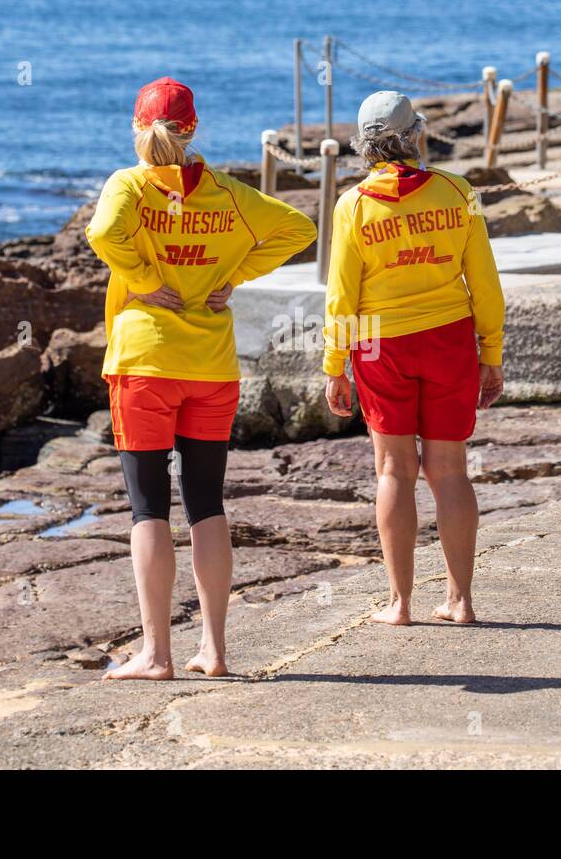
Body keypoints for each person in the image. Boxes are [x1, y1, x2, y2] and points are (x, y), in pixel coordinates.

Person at [86, 77, 315, 679]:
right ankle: (214, 651)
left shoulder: (130, 186)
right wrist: (235, 274)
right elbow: (300, 228)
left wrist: (138, 277)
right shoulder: (229, 194)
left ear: (139, 129)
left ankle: (156, 654)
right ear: (194, 131)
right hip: (212, 368)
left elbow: (102, 233)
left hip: (145, 363)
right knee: (207, 504)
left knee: (148, 509)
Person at [323, 90, 505, 626]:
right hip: (450, 337)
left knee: (393, 471)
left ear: (363, 146)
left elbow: (341, 298)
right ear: (416, 135)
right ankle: (460, 600)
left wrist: (335, 365)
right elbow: (486, 284)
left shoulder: (353, 205)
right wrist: (490, 353)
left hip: (381, 344)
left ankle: (400, 604)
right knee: (450, 472)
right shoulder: (459, 191)